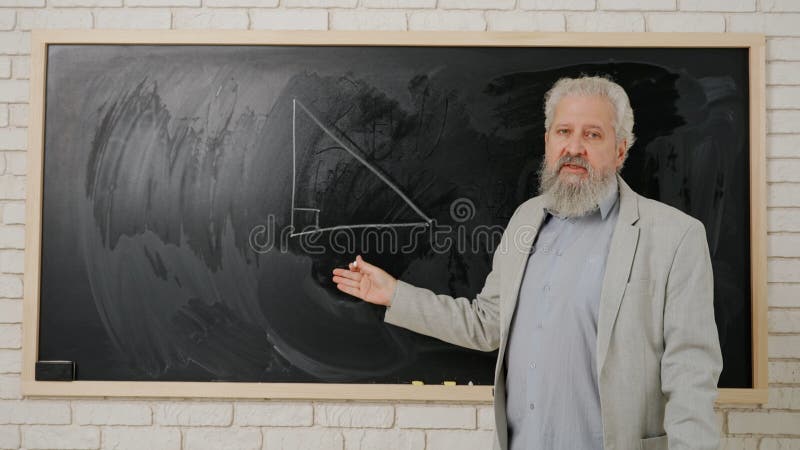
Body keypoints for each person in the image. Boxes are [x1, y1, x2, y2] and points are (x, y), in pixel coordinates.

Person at [331, 76, 722, 450]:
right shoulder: (527, 219)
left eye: (592, 134)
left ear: (620, 150)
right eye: (563, 132)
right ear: (548, 141)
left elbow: (690, 379)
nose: (574, 147)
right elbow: (487, 323)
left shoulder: (675, 236)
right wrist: (394, 295)